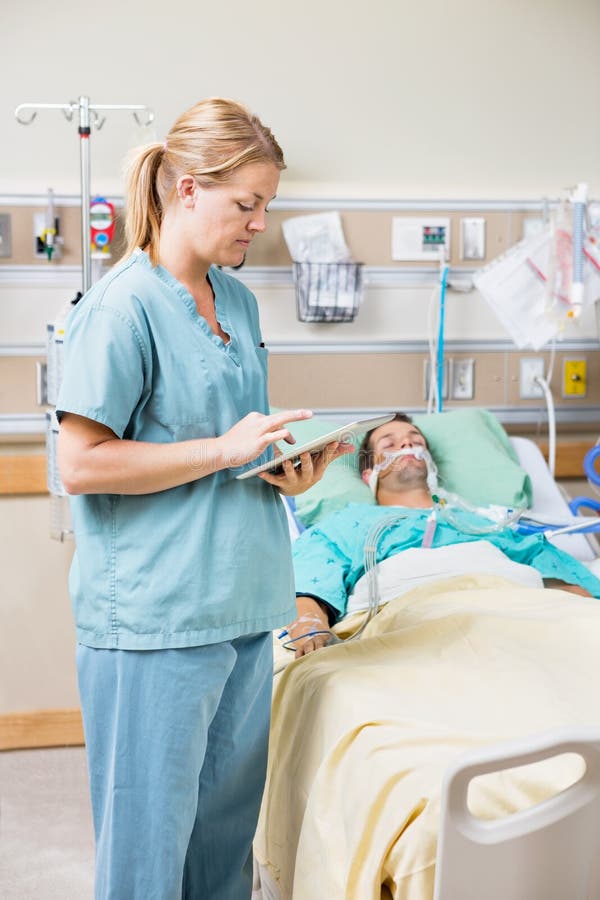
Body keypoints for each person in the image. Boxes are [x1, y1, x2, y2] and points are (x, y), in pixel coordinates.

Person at [55, 98, 351, 900]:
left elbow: (228, 445)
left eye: (266, 206)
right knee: (147, 859)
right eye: (246, 203)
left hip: (245, 604)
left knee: (223, 852)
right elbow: (81, 464)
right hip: (156, 619)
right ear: (187, 190)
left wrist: (282, 467)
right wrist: (224, 450)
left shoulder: (240, 302)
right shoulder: (121, 308)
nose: (259, 222)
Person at [286, 413, 600, 657]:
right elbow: (309, 588)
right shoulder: (349, 524)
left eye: (415, 440)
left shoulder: (482, 523)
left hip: (521, 618)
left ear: (431, 463)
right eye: (390, 444)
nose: (407, 446)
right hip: (415, 630)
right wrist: (313, 631)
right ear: (369, 473)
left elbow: (560, 579)